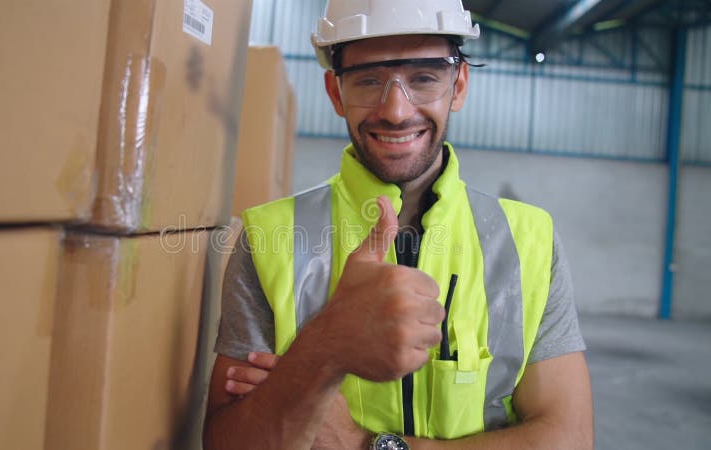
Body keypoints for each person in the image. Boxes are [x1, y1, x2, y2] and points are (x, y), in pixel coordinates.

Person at [204, 1, 593, 448]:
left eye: (423, 78)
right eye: (368, 80)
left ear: (458, 85)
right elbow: (225, 442)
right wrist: (323, 349)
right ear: (335, 93)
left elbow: (569, 438)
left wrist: (365, 443)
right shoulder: (269, 238)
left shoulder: (530, 242)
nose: (395, 110)